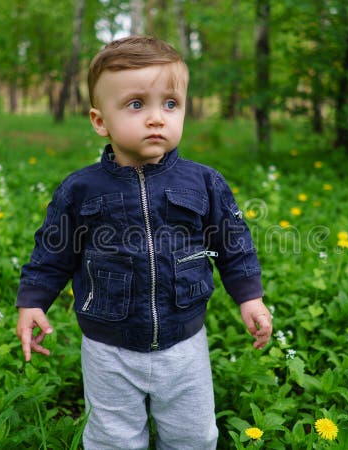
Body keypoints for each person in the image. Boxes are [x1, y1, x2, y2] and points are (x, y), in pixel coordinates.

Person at [15, 35, 272, 449]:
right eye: (136, 104)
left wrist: (250, 296)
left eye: (170, 104)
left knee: (194, 435)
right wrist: (33, 301)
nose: (156, 118)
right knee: (112, 439)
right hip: (108, 347)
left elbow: (233, 242)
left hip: (184, 342)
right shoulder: (80, 189)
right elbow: (53, 251)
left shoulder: (204, 182)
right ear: (100, 121)